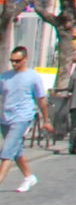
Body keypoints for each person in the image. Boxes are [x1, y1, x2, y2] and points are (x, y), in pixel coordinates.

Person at [0, 49, 43, 193]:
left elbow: (41, 98)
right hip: (6, 118)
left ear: (25, 59)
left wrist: (46, 119)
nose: (14, 63)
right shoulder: (5, 77)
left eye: (17, 61)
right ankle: (28, 176)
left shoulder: (33, 77)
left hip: (22, 117)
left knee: (7, 151)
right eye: (12, 60)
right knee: (15, 150)